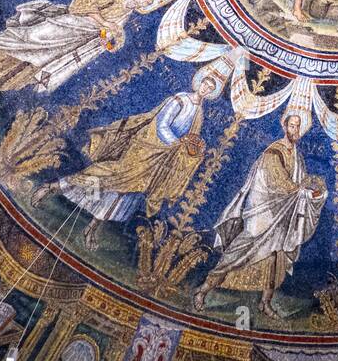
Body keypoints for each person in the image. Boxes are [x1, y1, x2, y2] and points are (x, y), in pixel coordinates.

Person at [34, 72, 223, 249]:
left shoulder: (199, 112)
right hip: (146, 147)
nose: (205, 89)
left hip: (161, 159)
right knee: (110, 175)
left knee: (128, 192)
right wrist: (176, 142)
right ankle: (52, 187)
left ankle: (92, 227)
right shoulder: (179, 100)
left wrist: (191, 152)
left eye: (210, 88)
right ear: (199, 82)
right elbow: (161, 124)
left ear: (212, 93)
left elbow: (192, 138)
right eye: (205, 84)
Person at [193, 112, 326, 318]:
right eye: (292, 126)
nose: (295, 131)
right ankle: (203, 290)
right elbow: (278, 182)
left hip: (282, 213)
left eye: (299, 127)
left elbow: (300, 182)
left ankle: (265, 303)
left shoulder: (297, 156)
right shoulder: (273, 152)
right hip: (263, 210)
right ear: (285, 126)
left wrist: (315, 190)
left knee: (274, 258)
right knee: (239, 251)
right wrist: (302, 191)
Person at [0, 0, 142, 110]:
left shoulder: (124, 20)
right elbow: (81, 3)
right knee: (20, 39)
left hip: (71, 44)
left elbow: (114, 43)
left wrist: (112, 39)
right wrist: (105, 23)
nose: (139, 1)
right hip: (65, 26)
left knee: (29, 66)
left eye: (144, 3)